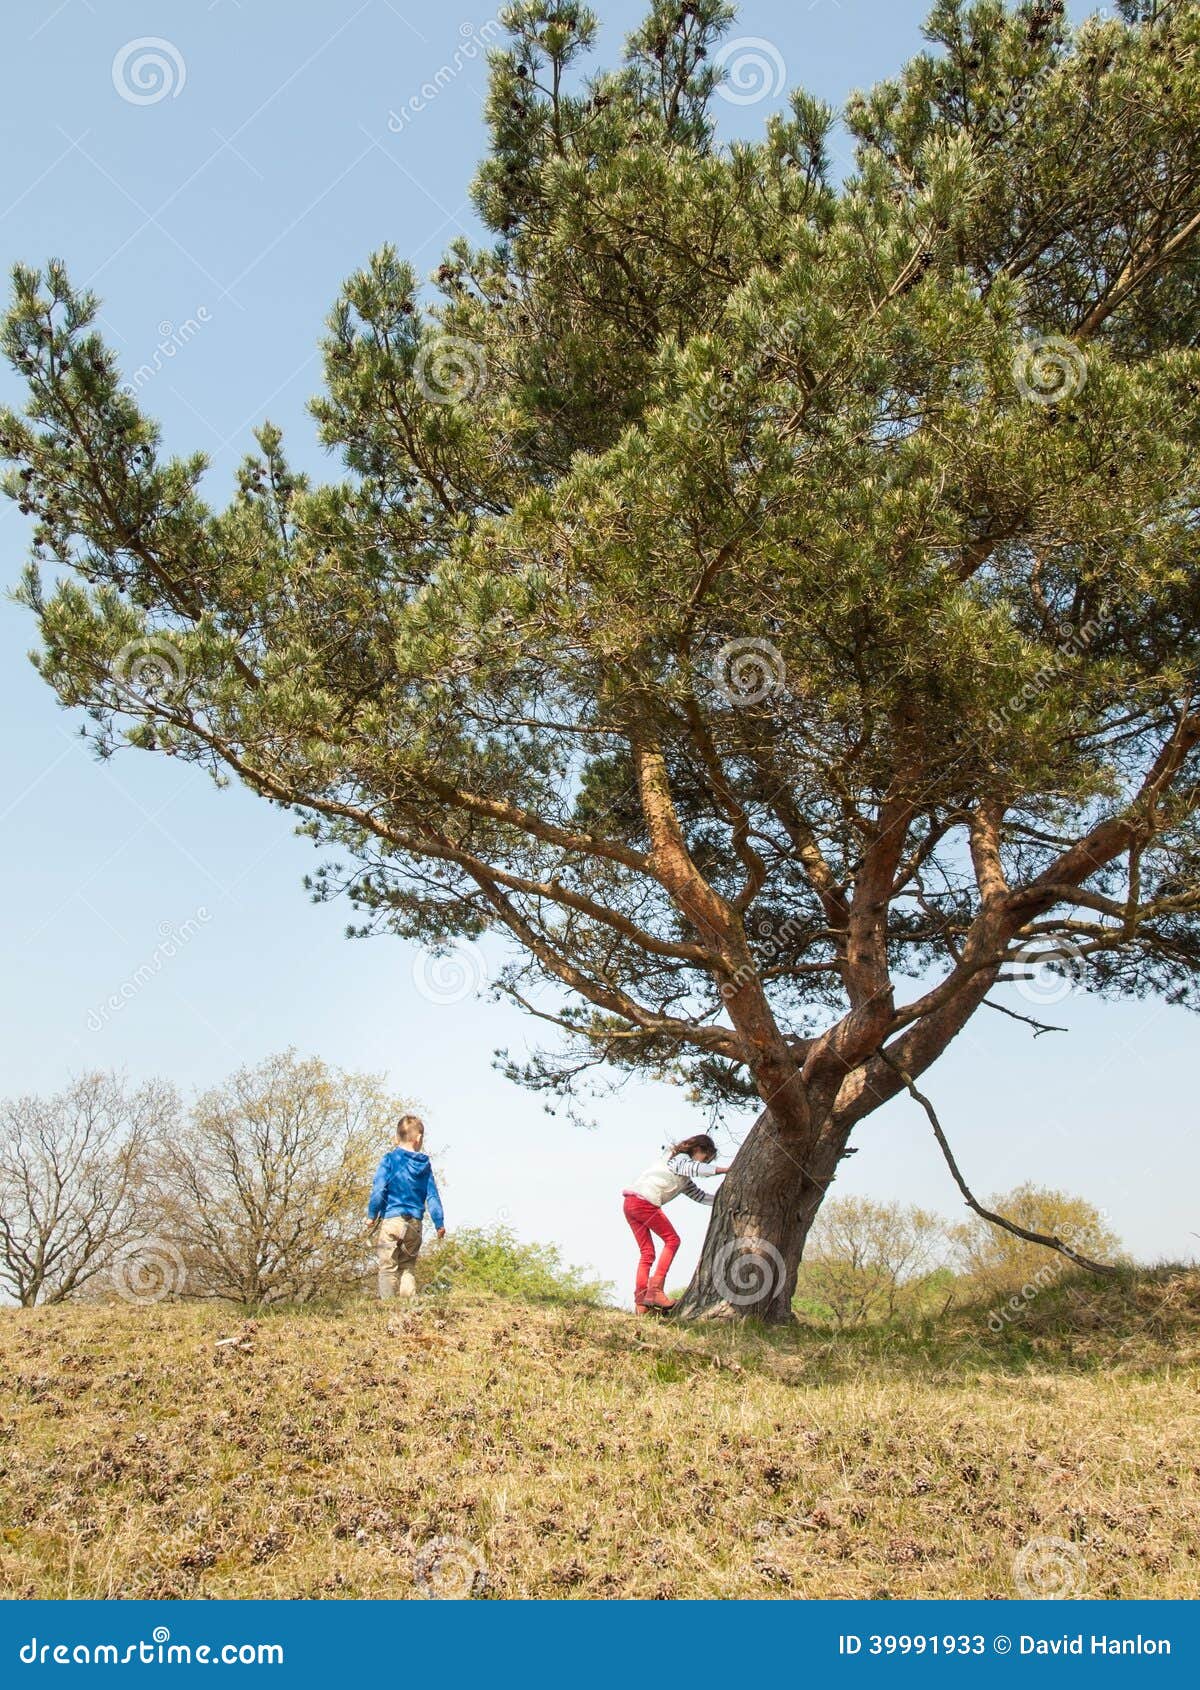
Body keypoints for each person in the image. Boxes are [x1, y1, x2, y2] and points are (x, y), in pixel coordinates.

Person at [622, 1134, 729, 1313]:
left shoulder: (682, 1176)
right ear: (698, 1149)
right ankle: (655, 1291)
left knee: (647, 1253)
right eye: (705, 1158)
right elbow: (694, 1168)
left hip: (630, 1203)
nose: (705, 1162)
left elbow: (700, 1196)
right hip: (643, 1202)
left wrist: (724, 1199)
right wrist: (725, 1170)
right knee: (673, 1240)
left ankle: (641, 1303)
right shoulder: (679, 1159)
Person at [367, 1113, 445, 1300]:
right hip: (414, 1225)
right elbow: (432, 1196)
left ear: (397, 1137)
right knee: (407, 1267)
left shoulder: (389, 1159)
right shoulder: (425, 1165)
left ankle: (388, 1306)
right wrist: (439, 1223)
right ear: (418, 1138)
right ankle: (408, 1305)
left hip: (392, 1221)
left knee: (387, 1267)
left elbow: (379, 1189)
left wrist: (372, 1214)